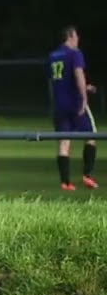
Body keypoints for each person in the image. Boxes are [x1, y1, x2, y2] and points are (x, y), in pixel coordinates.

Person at [49, 26, 98, 191]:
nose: (78, 40)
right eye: (76, 36)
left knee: (64, 142)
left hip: (59, 105)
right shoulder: (75, 54)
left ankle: (65, 182)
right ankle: (88, 175)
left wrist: (86, 86)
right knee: (91, 136)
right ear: (69, 36)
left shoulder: (53, 56)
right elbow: (78, 74)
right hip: (75, 103)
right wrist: (84, 97)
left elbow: (59, 80)